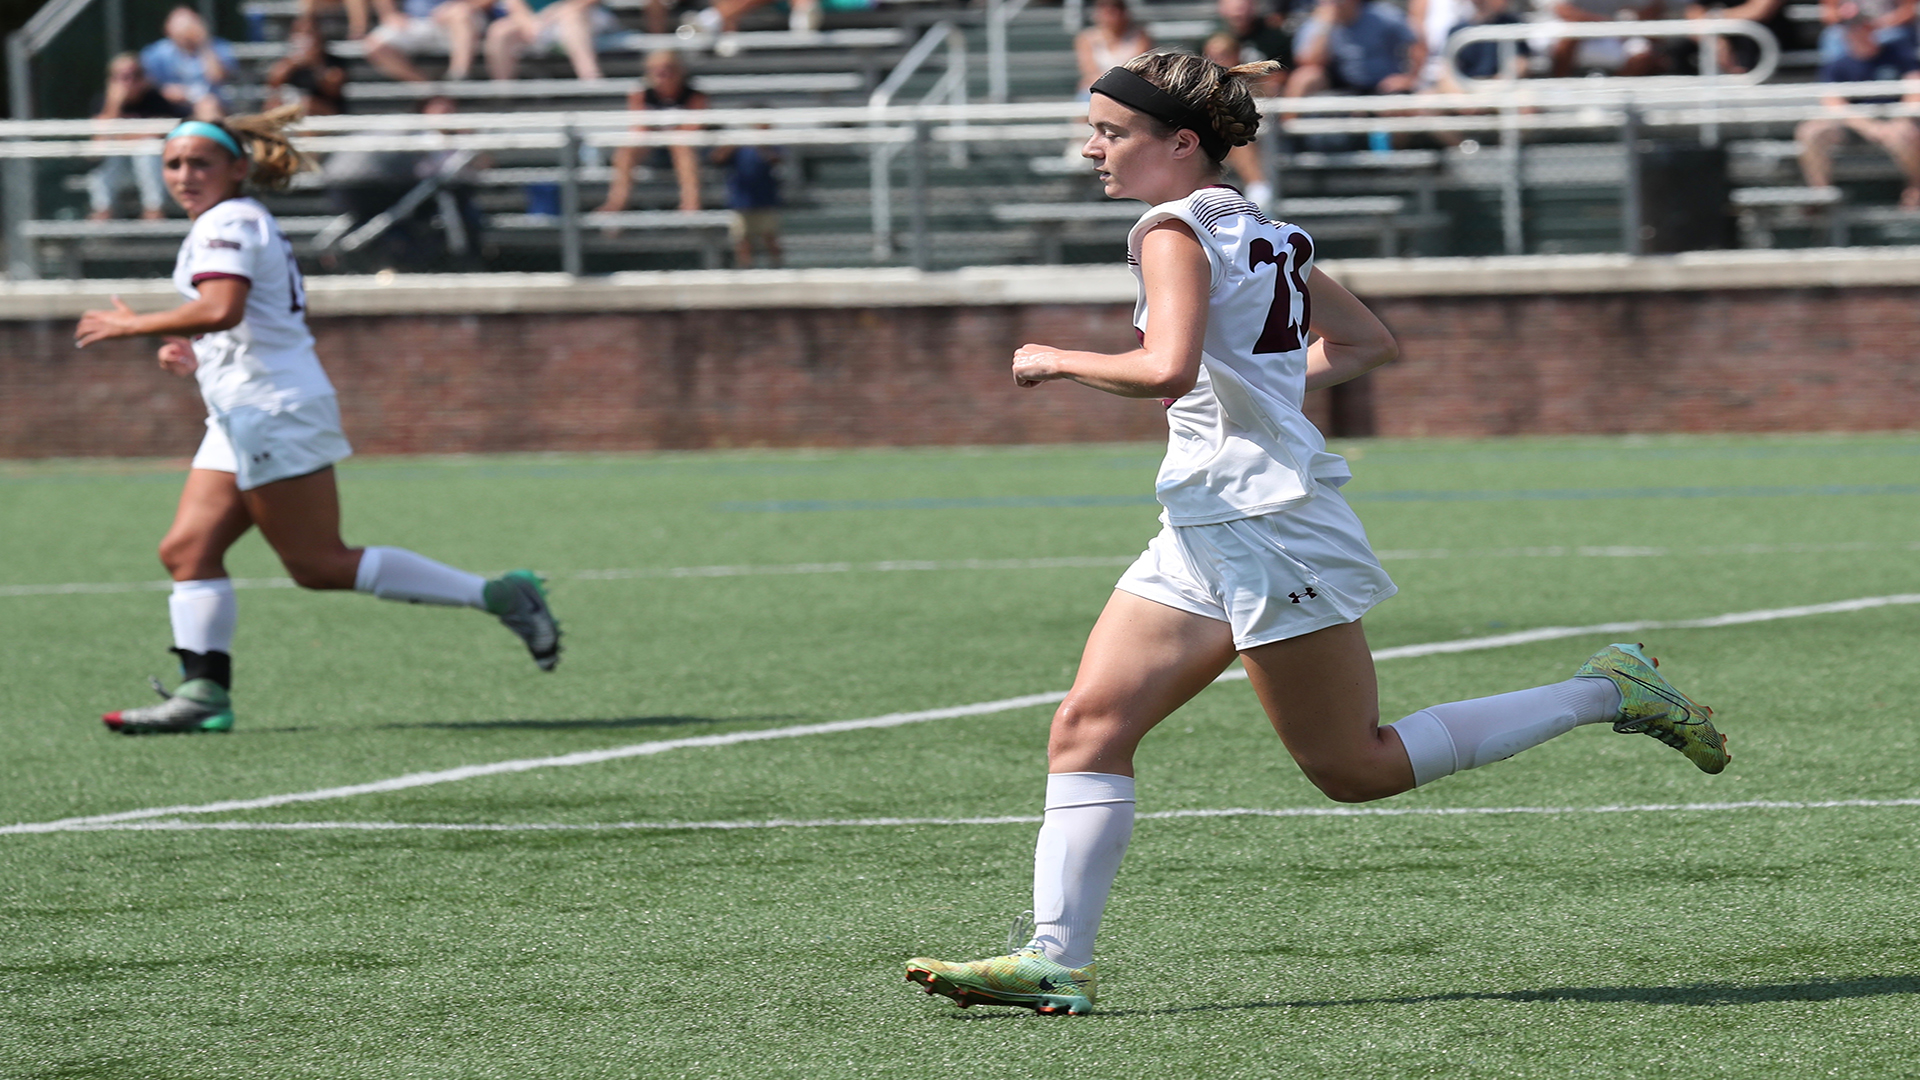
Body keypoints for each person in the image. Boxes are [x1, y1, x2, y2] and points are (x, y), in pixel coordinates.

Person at [903, 51, 1729, 1016]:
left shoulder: (1168, 227)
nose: (1092, 149)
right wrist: (1255, 393)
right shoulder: (1263, 227)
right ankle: (1055, 957)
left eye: (1110, 132)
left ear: (1179, 143)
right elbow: (1369, 344)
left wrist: (1057, 358)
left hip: (1263, 522)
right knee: (1089, 727)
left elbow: (1164, 367)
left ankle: (1606, 691)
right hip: (1208, 516)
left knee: (1355, 766)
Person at [72, 108, 562, 736]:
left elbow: (221, 308)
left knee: (319, 564)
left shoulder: (229, 220)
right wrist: (190, 354)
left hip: (272, 411)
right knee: (188, 550)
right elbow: (237, 324)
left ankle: (500, 596)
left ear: (237, 169)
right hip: (241, 412)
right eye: (173, 164)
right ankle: (202, 695)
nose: (185, 175)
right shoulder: (225, 222)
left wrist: (134, 324)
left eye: (200, 163)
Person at [1797, 13, 1920, 208]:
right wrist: (1870, 127)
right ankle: (1820, 194)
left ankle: (1915, 190)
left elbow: (1915, 90)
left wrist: (1899, 118)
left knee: (1905, 133)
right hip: (1854, 125)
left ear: (1870, 29)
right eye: (1850, 29)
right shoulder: (1837, 65)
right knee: (1811, 132)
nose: (1855, 33)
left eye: (1860, 27)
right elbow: (1833, 103)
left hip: (1894, 121)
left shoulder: (1897, 55)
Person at [597, 50, 709, 214]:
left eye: (668, 68)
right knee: (626, 151)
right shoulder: (641, 94)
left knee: (681, 146)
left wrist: (667, 134)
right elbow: (639, 128)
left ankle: (691, 204)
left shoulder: (694, 95)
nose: (662, 73)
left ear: (679, 70)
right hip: (653, 147)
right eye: (656, 69)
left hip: (689, 150)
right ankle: (617, 203)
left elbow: (694, 128)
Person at [87, 54, 186, 222]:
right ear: (112, 80)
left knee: (148, 147)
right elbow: (98, 144)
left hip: (152, 167)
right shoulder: (103, 101)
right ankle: (103, 211)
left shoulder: (155, 99)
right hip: (119, 167)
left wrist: (122, 134)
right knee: (109, 149)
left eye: (136, 75)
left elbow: (160, 132)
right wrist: (114, 105)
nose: (130, 81)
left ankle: (153, 211)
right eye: (123, 77)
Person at [1285, 0, 1421, 98]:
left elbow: (1418, 41)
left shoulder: (1384, 16)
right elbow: (1308, 61)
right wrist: (1325, 26)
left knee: (1397, 100)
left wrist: (1409, 78)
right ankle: (1285, 135)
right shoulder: (1318, 22)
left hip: (1383, 84)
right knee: (1303, 77)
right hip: (1339, 83)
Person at [141, 6, 239, 120]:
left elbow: (217, 77)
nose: (186, 31)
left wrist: (204, 44)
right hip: (168, 106)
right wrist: (166, 92)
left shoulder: (218, 47)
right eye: (180, 26)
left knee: (207, 105)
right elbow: (147, 86)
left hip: (210, 105)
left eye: (189, 24)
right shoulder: (156, 53)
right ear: (167, 29)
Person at [484, 0, 613, 82]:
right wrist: (528, 24)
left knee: (573, 20)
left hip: (582, 15)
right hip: (537, 21)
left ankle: (592, 80)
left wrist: (555, 13)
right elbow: (515, 5)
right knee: (499, 32)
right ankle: (502, 93)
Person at [364, 0, 490, 82]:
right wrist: (390, 14)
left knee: (461, 15)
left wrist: (463, 6)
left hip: (458, 19)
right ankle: (428, 90)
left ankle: (459, 76)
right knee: (374, 45)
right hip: (414, 21)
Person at [1544, 0, 1670, 78]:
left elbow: (1649, 9)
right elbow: (1564, 11)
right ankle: (1558, 89)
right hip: (1566, 30)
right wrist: (1605, 23)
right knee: (1570, 34)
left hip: (1612, 34)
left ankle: (1615, 95)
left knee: (1643, 53)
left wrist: (1628, 24)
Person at [712, 130, 782, 267]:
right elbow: (717, 159)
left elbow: (777, 160)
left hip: (765, 200)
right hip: (740, 200)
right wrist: (731, 145)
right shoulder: (738, 144)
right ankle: (746, 268)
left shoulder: (770, 142)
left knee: (770, 236)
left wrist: (762, 146)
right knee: (742, 238)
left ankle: (777, 267)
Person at [1076, 0, 1155, 95]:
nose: (1111, 15)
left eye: (1116, 8)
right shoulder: (1085, 38)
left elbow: (1137, 68)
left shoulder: (1141, 37)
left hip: (1130, 87)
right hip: (1096, 88)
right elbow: (1090, 71)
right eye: (1105, 9)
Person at [266, 29, 349, 116]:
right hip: (293, 105)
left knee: (306, 105)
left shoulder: (332, 64)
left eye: (307, 44)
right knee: (274, 105)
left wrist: (316, 65)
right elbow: (273, 85)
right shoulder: (289, 64)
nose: (303, 48)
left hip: (326, 111)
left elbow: (332, 91)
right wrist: (292, 63)